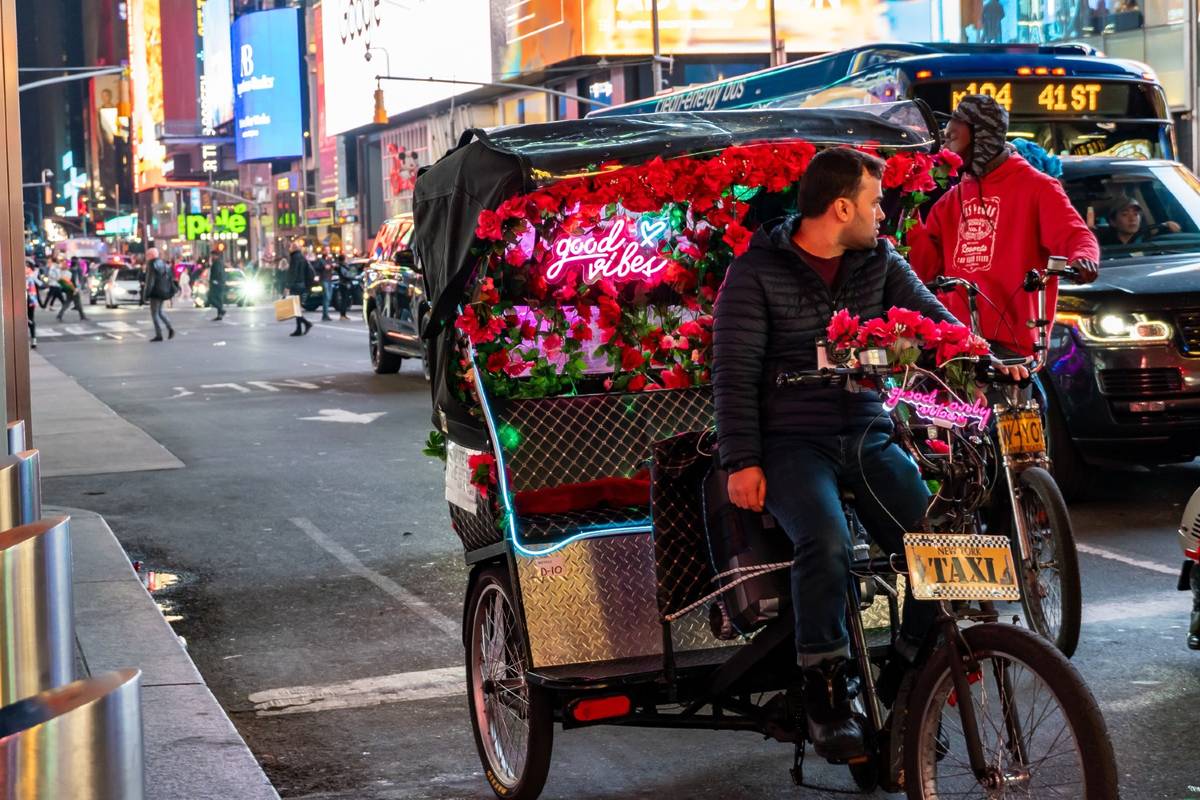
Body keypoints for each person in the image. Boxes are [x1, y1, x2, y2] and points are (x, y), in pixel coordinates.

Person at [714, 148, 963, 762]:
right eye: (876, 202)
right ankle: (826, 687)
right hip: (792, 443)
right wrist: (741, 460)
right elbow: (733, 372)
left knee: (940, 545)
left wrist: (978, 353)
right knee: (824, 542)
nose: (884, 214)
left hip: (867, 431)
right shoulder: (756, 271)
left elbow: (932, 319)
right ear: (842, 206)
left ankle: (908, 669)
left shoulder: (878, 260)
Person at [908, 94, 1100, 360]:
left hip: (1012, 347)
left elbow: (1075, 234)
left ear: (981, 133)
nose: (947, 135)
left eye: (955, 129)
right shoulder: (951, 201)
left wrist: (1084, 258)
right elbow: (926, 268)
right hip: (957, 342)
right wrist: (908, 209)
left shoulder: (1037, 187)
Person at [1095, 195, 1181, 246]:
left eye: (1136, 214)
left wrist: (1169, 226)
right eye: (1125, 214)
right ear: (1113, 222)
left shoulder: (1146, 238)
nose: (1132, 219)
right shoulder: (1103, 245)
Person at [143, 247, 176, 341]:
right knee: (160, 312)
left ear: (151, 255)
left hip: (155, 292)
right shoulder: (163, 264)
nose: (146, 257)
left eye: (147, 255)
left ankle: (159, 334)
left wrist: (146, 294)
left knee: (154, 314)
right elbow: (169, 278)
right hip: (164, 291)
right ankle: (170, 328)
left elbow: (150, 281)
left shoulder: (151, 264)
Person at [286, 241, 313, 336]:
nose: (289, 249)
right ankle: (299, 328)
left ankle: (306, 324)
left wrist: (288, 286)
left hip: (296, 285)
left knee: (295, 308)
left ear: (293, 248)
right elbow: (308, 272)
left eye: (290, 247)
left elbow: (293, 273)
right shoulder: (302, 257)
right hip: (302, 285)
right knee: (297, 308)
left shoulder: (294, 258)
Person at [56, 258, 88, 322]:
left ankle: (60, 315)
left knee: (67, 302)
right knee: (77, 303)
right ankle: (82, 316)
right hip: (74, 289)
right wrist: (77, 288)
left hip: (68, 288)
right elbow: (76, 281)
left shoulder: (69, 270)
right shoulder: (75, 271)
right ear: (76, 264)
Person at [208, 251, 226, 320]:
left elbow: (217, 273)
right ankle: (220, 315)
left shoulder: (217, 263)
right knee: (219, 299)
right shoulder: (219, 262)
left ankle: (221, 310)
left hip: (217, 283)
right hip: (220, 283)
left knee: (211, 298)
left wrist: (214, 281)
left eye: (212, 255)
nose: (211, 257)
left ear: (216, 255)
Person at [317, 247, 334, 321]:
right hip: (324, 280)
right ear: (323, 251)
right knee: (326, 296)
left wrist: (332, 265)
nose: (328, 251)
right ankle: (325, 315)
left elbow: (332, 266)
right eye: (327, 250)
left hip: (329, 279)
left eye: (329, 250)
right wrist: (331, 266)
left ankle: (325, 314)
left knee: (328, 297)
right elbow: (326, 267)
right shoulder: (321, 260)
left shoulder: (329, 259)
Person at [336, 253, 353, 320]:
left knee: (345, 300)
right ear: (344, 259)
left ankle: (343, 315)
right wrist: (351, 275)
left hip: (343, 283)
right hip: (344, 284)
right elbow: (346, 275)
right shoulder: (342, 266)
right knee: (344, 300)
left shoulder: (341, 266)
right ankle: (342, 315)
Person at [25, 263, 38, 348]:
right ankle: (33, 339)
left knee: (29, 320)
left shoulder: (29, 276)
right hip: (30, 300)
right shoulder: (32, 275)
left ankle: (33, 339)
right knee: (30, 320)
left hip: (28, 300)